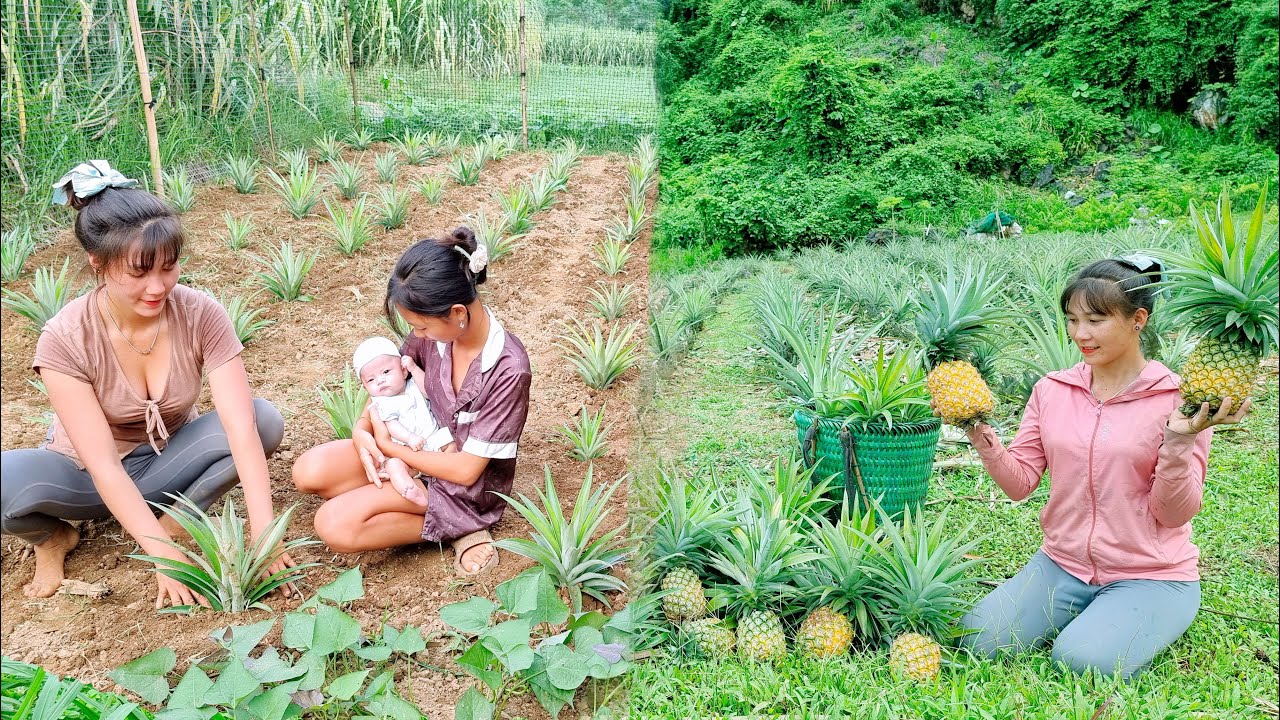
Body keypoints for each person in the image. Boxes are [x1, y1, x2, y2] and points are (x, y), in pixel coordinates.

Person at [0, 161, 298, 608]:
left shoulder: (200, 313)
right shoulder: (66, 337)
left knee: (262, 420)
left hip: (171, 461)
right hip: (86, 478)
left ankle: (176, 518)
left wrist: (265, 536)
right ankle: (52, 537)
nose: (157, 287)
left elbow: (240, 427)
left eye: (169, 267)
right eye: (139, 273)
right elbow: (103, 466)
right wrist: (164, 559)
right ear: (97, 262)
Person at [956, 256, 1251, 680]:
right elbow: (1020, 484)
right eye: (1072, 320)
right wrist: (979, 432)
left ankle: (1143, 613)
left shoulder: (1179, 400)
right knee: (976, 641)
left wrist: (1179, 440)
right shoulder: (1052, 390)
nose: (1081, 334)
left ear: (1138, 320)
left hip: (1150, 575)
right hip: (1061, 565)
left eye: (1095, 320)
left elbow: (1173, 515)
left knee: (1081, 662)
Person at [292, 227, 532, 576]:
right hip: (408, 451)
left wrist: (392, 449)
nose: (415, 335)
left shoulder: (508, 369)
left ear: (457, 313)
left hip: (460, 485)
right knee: (308, 471)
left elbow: (466, 470)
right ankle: (399, 497)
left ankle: (461, 526)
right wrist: (362, 430)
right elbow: (391, 385)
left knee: (334, 524)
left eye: (420, 327)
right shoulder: (435, 333)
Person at [351, 335, 455, 506]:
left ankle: (443, 475)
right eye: (371, 380)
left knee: (452, 442)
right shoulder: (382, 403)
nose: (380, 380)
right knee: (394, 466)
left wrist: (414, 368)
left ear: (403, 371)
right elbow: (392, 426)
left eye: (386, 372)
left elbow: (429, 391)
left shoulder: (413, 385)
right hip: (405, 450)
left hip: (432, 439)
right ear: (365, 387)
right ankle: (409, 489)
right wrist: (409, 437)